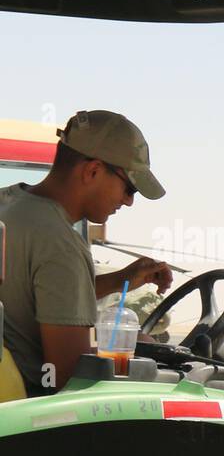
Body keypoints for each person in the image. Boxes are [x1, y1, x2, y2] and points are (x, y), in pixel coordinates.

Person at [0, 110, 171, 394]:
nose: (128, 202)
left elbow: (35, 294)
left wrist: (124, 278)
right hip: (32, 414)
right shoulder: (60, 242)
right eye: (129, 188)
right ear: (92, 170)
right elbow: (68, 376)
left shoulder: (8, 203)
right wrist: (137, 353)